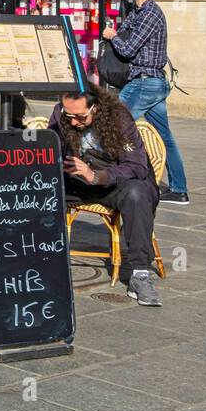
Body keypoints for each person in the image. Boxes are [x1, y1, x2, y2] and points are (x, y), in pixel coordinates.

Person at [50, 84, 163, 306]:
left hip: (112, 183)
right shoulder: (60, 114)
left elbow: (137, 166)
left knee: (137, 193)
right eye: (68, 115)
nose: (73, 122)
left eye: (80, 117)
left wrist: (96, 176)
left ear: (96, 108)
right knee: (38, 188)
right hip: (75, 182)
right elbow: (48, 146)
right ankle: (33, 260)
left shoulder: (119, 118)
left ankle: (140, 274)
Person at [103, 0, 188, 205]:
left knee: (113, 122)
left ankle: (108, 176)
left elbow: (128, 48)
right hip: (150, 82)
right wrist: (117, 33)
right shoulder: (138, 12)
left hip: (145, 82)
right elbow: (126, 32)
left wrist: (112, 36)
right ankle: (179, 189)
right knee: (164, 137)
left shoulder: (151, 14)